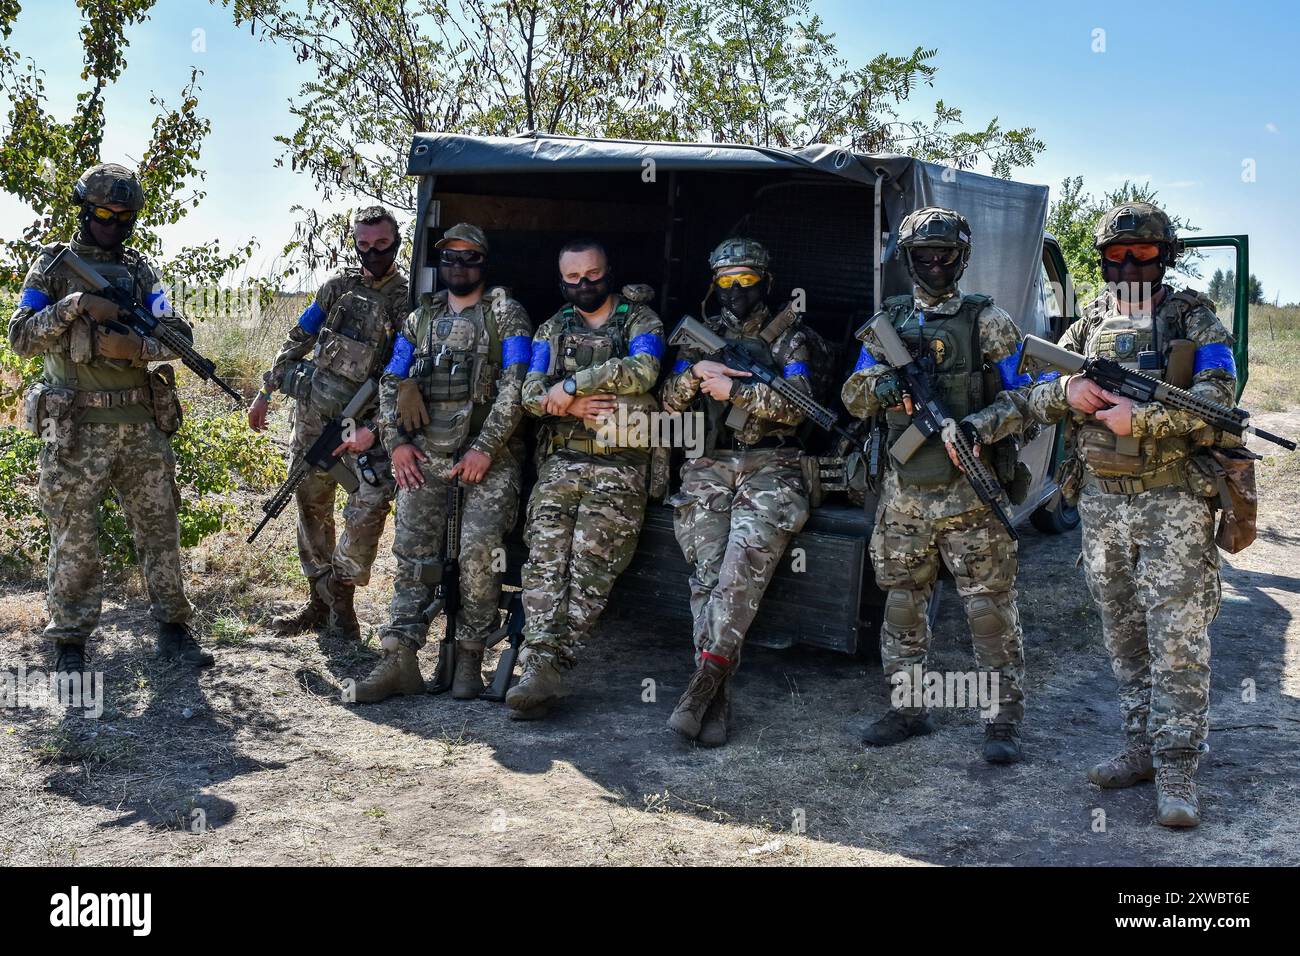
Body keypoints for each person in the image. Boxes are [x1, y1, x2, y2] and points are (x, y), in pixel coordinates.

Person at [1006, 202, 1235, 827]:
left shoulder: (1194, 317)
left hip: (1172, 504)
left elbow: (1218, 403)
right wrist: (1066, 391)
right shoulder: (1087, 325)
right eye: (1116, 254)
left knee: (1178, 637)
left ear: (1165, 257)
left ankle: (1179, 765)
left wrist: (1144, 418)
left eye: (1144, 253)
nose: (1130, 265)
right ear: (1103, 261)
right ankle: (1141, 746)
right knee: (1123, 631)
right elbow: (1027, 391)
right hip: (1103, 505)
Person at [842, 206, 1029, 764]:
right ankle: (907, 710)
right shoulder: (888, 323)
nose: (934, 265)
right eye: (923, 256)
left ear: (962, 258)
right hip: (905, 498)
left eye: (945, 255)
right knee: (902, 606)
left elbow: (1029, 398)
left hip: (973, 498)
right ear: (907, 259)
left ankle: (1001, 721)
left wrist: (979, 426)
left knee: (989, 612)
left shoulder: (989, 321)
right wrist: (886, 389)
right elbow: (852, 394)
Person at [9, 162, 212, 673]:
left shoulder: (141, 271)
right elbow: (20, 337)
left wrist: (136, 348)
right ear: (83, 210)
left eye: (124, 217)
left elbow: (178, 335)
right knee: (74, 535)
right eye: (104, 214)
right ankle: (70, 641)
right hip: (74, 427)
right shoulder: (52, 265)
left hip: (140, 423)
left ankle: (174, 629)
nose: (114, 224)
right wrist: (74, 306)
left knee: (160, 528)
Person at [353, 223, 532, 703]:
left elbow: (516, 385)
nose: (458, 265)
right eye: (450, 257)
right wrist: (396, 443)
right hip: (425, 453)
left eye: (469, 256)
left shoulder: (506, 314)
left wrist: (485, 448)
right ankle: (399, 657)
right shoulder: (420, 319)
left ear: (483, 262)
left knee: (479, 552)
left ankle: (470, 655)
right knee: (413, 554)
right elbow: (390, 381)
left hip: (488, 456)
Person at [659, 237, 812, 747]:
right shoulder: (699, 338)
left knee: (737, 573)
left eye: (746, 280)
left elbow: (801, 406)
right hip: (708, 464)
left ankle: (702, 685)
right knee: (706, 577)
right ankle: (716, 696)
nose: (736, 290)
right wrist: (695, 375)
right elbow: (668, 402)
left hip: (771, 466)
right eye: (726, 281)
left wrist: (738, 392)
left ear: (765, 282)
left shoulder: (789, 339)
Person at [504, 239, 663, 720]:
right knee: (545, 559)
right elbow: (530, 392)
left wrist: (574, 384)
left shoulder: (640, 320)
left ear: (608, 272)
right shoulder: (552, 329)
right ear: (561, 281)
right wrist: (569, 406)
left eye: (592, 274)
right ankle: (537, 666)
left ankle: (551, 663)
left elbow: (644, 370)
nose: (584, 284)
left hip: (621, 462)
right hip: (563, 459)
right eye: (573, 278)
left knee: (591, 565)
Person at [248, 206, 407, 640]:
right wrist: (265, 391)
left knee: (369, 505)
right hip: (313, 420)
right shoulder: (336, 288)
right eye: (364, 245)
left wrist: (376, 427)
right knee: (311, 507)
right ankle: (322, 605)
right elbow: (297, 340)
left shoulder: (407, 301)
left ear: (396, 242)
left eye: (382, 244)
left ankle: (340, 589)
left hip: (364, 428)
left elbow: (405, 374)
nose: (372, 253)